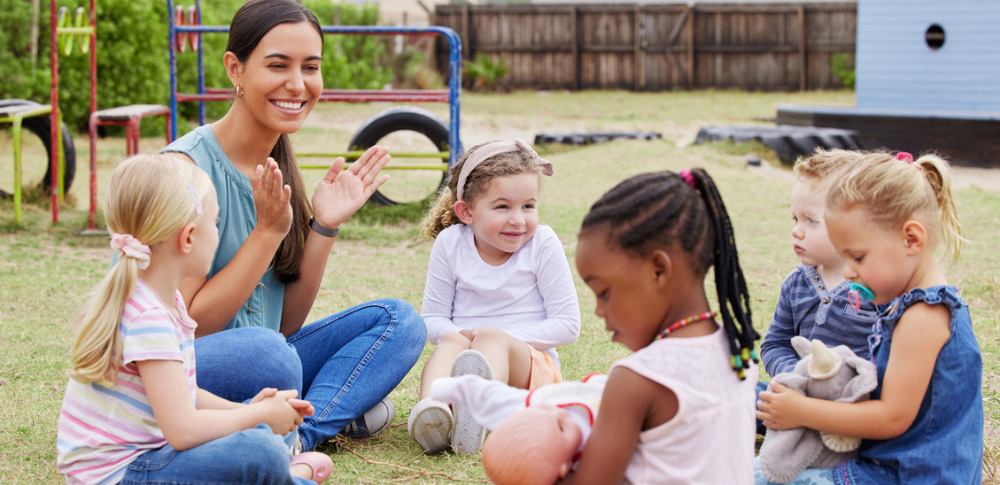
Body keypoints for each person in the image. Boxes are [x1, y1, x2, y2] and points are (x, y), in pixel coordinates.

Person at [160, 0, 426, 453]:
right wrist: (266, 235)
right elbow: (188, 331)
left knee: (398, 322)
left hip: (266, 362)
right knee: (271, 356)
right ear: (235, 69)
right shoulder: (184, 172)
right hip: (179, 370)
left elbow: (284, 324)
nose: (298, 84)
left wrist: (323, 226)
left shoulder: (277, 164)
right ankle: (324, 411)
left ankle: (299, 434)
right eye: (278, 65)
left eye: (311, 67)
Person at [57, 155, 333, 484]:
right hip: (125, 474)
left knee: (264, 430)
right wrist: (257, 416)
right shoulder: (149, 317)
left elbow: (185, 393)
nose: (217, 233)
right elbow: (184, 431)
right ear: (188, 238)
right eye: (215, 224)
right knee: (260, 451)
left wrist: (248, 411)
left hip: (153, 452)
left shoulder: (164, 300)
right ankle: (290, 475)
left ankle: (281, 470)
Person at [756, 151, 983, 485]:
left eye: (858, 256)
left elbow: (891, 418)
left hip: (905, 476)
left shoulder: (924, 316)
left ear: (911, 239)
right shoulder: (911, 305)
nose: (848, 271)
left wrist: (801, 411)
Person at [567, 169, 760, 484]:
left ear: (658, 269)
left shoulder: (637, 380)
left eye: (603, 292)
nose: (599, 311)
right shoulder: (739, 354)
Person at [407, 139, 581, 454]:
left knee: (491, 338)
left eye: (528, 205)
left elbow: (568, 325)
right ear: (467, 212)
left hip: (530, 372)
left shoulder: (542, 244)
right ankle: (434, 413)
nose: (519, 219)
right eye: (503, 207)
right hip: (465, 355)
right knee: (452, 341)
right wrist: (464, 336)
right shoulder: (450, 244)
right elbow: (431, 320)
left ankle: (478, 415)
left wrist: (495, 337)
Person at [757, 149, 881, 433]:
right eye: (795, 219)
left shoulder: (877, 288)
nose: (796, 231)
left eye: (811, 220)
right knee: (745, 397)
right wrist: (796, 377)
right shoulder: (796, 283)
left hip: (852, 405)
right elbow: (775, 343)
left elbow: (885, 359)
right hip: (797, 394)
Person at [430, 373, 606, 485]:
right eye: (561, 428)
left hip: (592, 387)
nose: (559, 414)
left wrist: (444, 388)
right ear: (564, 467)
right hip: (613, 396)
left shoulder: (530, 408)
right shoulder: (590, 459)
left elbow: (489, 395)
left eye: (546, 412)